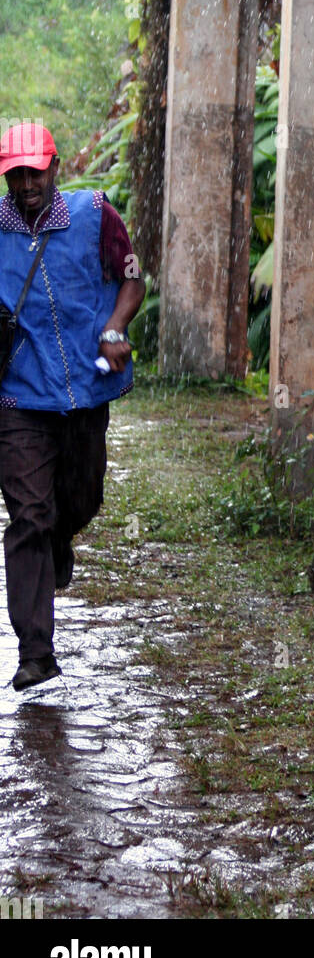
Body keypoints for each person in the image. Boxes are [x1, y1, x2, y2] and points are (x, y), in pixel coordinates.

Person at [0, 123, 144, 691]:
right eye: (17, 173)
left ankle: (63, 538)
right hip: (18, 396)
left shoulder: (95, 216)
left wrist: (114, 326)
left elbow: (131, 277)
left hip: (85, 390)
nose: (28, 183)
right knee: (27, 515)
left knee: (81, 498)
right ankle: (35, 652)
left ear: (56, 167)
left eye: (37, 170)